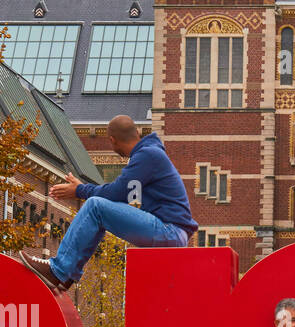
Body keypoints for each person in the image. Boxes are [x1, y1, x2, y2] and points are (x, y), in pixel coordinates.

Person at [17, 115, 197, 292]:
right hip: (172, 232)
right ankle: (66, 276)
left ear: (112, 141)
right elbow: (125, 194)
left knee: (95, 207)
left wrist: (79, 190)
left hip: (169, 231)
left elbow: (117, 193)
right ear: (137, 132)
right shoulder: (150, 154)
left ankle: (59, 271)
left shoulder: (147, 155)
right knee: (98, 210)